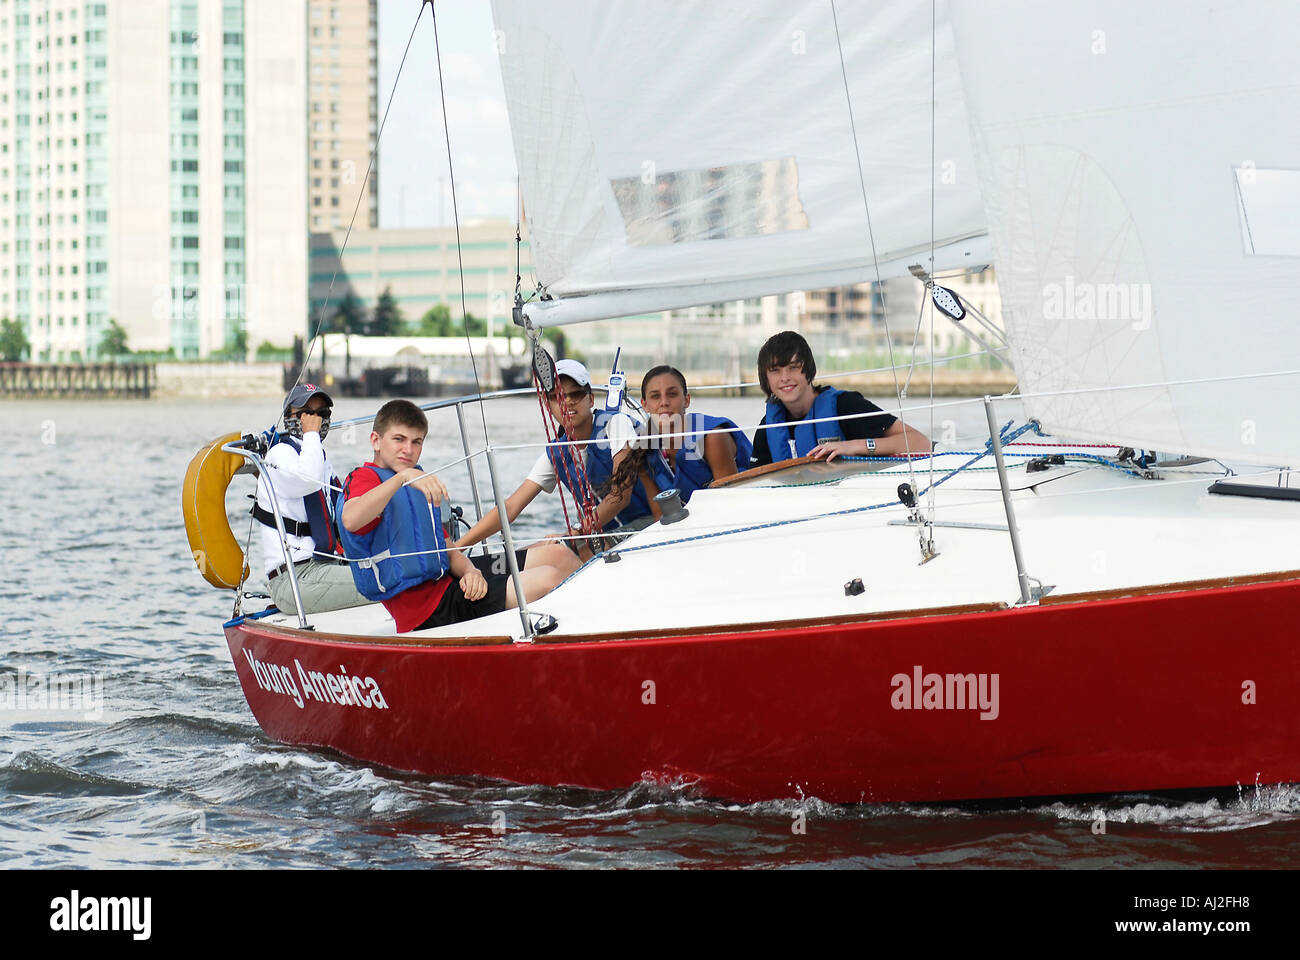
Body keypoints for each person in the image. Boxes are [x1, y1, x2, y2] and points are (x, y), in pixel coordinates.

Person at [339, 399, 571, 633]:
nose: (408, 450)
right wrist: (402, 478)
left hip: (449, 579)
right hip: (431, 611)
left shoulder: (417, 479)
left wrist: (471, 571)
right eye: (399, 439)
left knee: (558, 555)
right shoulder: (366, 478)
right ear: (376, 441)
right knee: (548, 578)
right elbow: (351, 519)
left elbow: (446, 546)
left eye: (416, 442)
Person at [455, 359, 654, 556]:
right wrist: (457, 548)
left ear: (591, 399)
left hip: (651, 524)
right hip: (601, 533)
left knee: (565, 551)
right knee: (528, 554)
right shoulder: (558, 451)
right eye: (557, 396)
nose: (567, 402)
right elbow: (510, 507)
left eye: (575, 394)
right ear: (548, 405)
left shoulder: (616, 424)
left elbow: (620, 496)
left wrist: (572, 534)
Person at [253, 383, 369, 616]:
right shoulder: (281, 455)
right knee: (380, 580)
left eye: (322, 413)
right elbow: (308, 480)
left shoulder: (318, 457)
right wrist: (312, 434)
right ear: (290, 418)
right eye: (307, 413)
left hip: (326, 566)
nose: (315, 419)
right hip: (295, 578)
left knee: (393, 566)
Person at [750, 330, 931, 465]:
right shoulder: (767, 428)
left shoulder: (845, 407)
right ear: (766, 378)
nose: (785, 378)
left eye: (793, 367)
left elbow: (921, 443)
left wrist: (853, 446)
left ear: (809, 370)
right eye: (775, 371)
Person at [638, 365, 752, 502]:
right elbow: (660, 515)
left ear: (686, 400)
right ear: (644, 405)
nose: (664, 402)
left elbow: (731, 501)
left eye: (672, 394)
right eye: (655, 396)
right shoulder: (645, 451)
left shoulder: (712, 437)